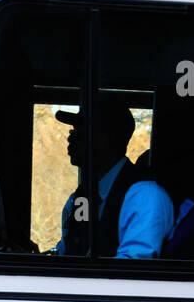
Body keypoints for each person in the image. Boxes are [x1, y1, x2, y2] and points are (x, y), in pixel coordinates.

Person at [54, 102, 174, 259]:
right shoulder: (81, 198)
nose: (70, 137)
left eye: (82, 131)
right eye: (73, 130)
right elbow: (70, 250)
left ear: (111, 138)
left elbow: (130, 271)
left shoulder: (145, 196)